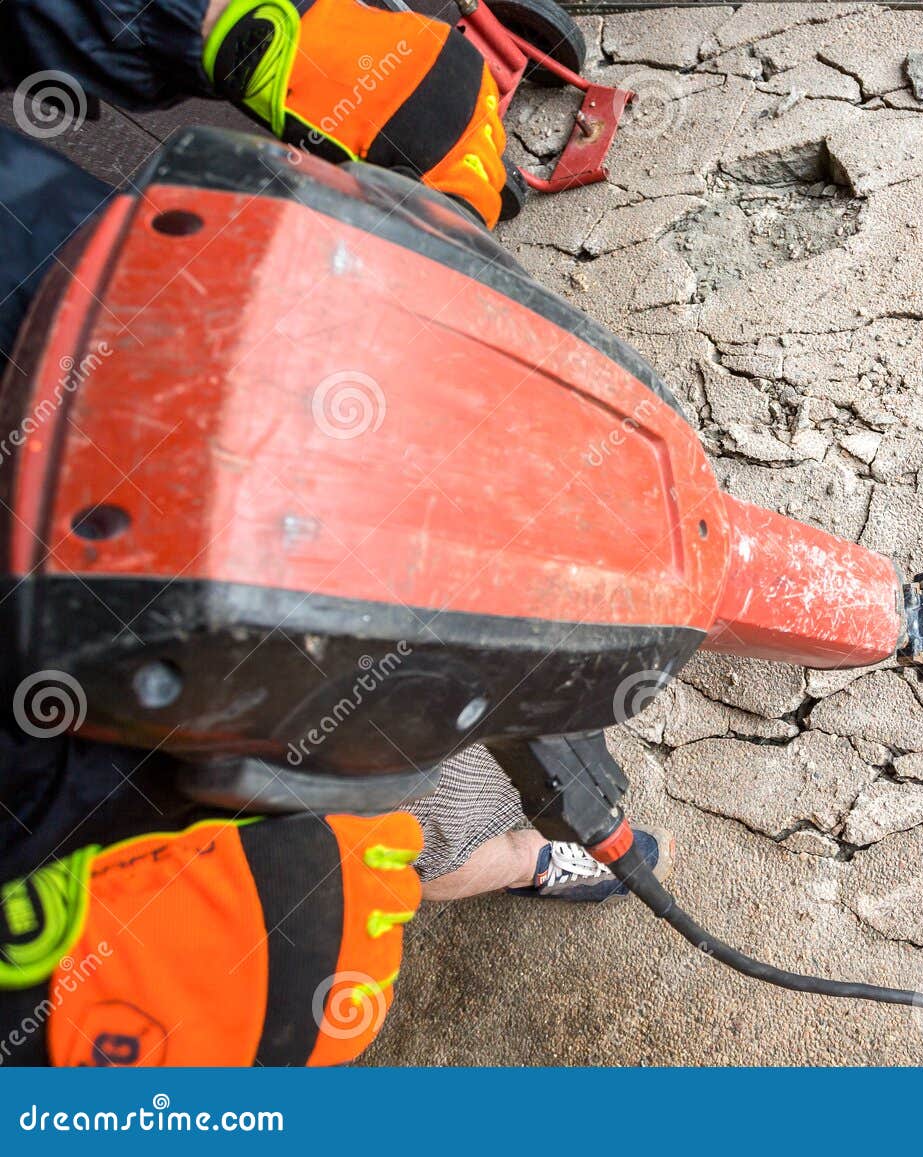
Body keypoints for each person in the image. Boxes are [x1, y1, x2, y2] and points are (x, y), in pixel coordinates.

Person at [0, 0, 668, 1066]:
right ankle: (504, 856)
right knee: (335, 855)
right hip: (75, 718)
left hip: (120, 320)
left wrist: (234, 26)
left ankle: (490, 837)